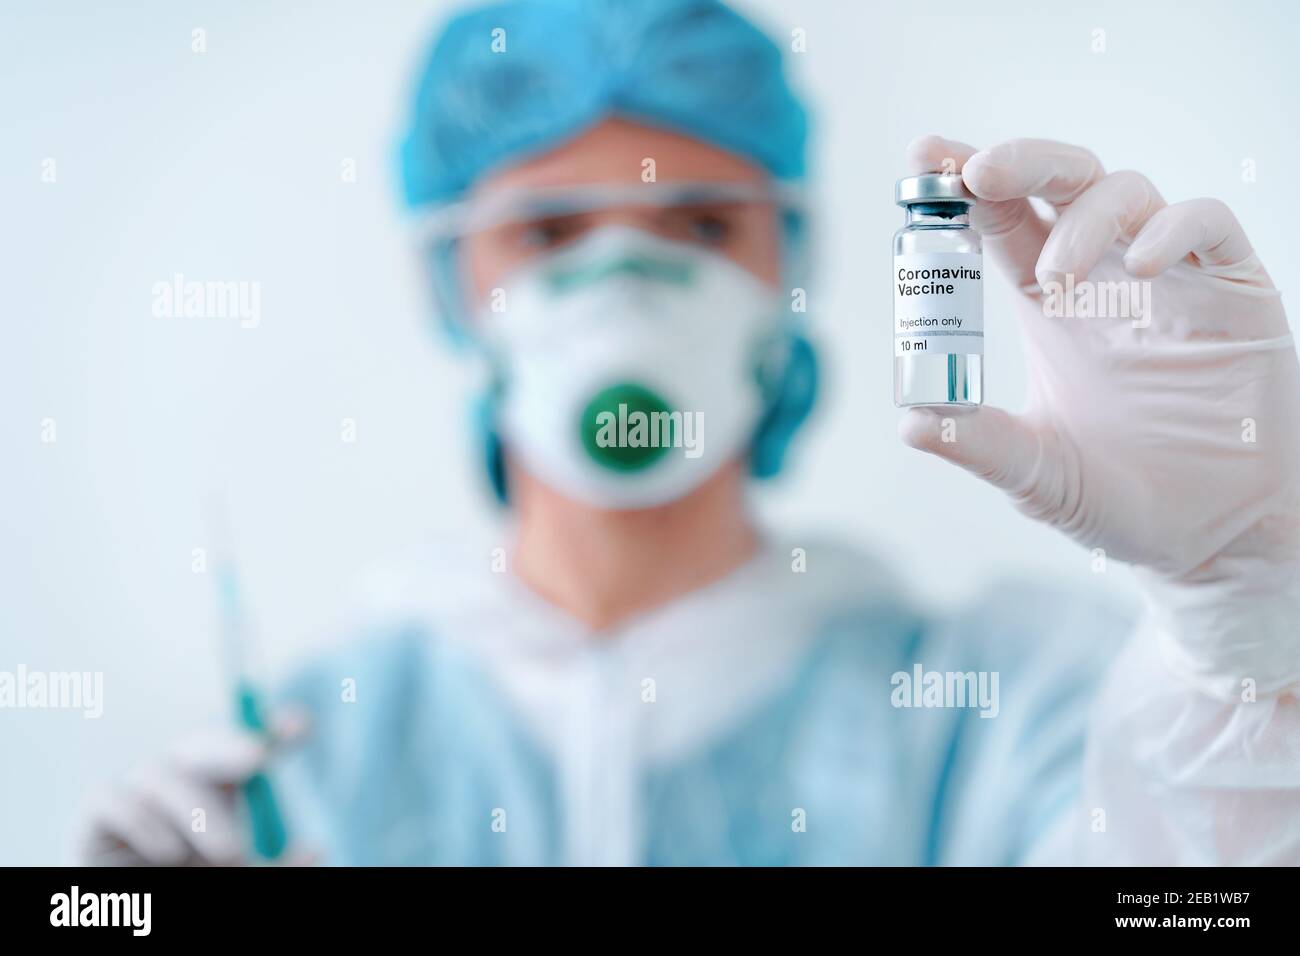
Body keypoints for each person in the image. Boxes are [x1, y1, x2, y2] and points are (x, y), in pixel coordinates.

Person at [81, 0, 1300, 866]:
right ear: (452, 282)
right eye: (550, 234)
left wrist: (1244, 631)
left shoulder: (1005, 714)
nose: (625, 288)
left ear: (790, 264)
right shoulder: (311, 756)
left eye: (702, 226)